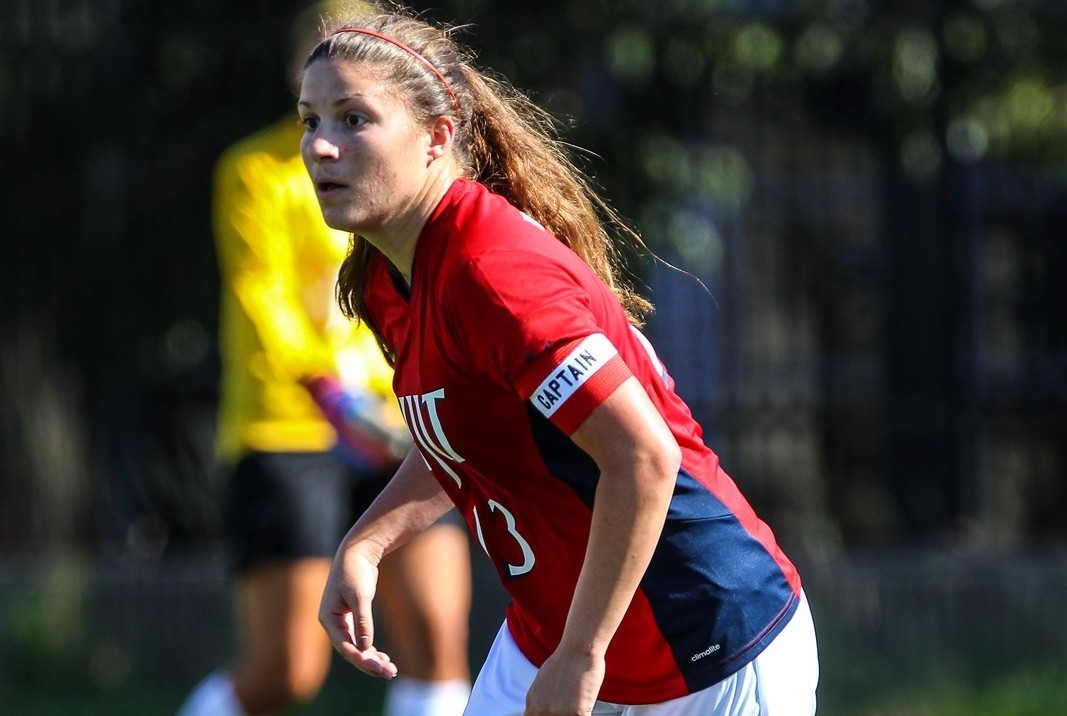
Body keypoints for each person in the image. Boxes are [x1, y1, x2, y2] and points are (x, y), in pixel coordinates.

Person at [299, 6, 819, 715]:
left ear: (437, 137)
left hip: (702, 643)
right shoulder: (392, 276)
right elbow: (464, 437)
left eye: (353, 119)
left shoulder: (492, 275)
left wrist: (578, 655)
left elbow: (642, 458)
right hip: (562, 637)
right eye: (310, 120)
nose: (321, 146)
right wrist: (365, 544)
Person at [175, 4, 472, 715]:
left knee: (435, 638)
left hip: (399, 427)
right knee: (289, 671)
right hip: (291, 430)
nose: (328, 142)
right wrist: (330, 395)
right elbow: (262, 297)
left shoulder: (424, 181)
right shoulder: (256, 171)